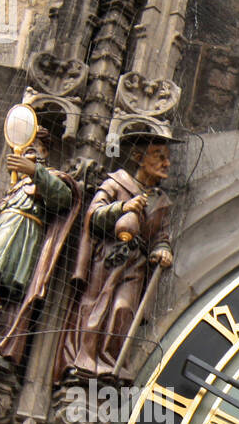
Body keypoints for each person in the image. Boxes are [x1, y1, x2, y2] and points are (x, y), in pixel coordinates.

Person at [56, 134, 174, 382]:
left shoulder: (161, 202)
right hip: (109, 255)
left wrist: (162, 249)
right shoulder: (115, 183)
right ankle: (85, 359)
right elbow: (94, 215)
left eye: (168, 159)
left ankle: (109, 363)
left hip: (137, 263)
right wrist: (122, 208)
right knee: (97, 304)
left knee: (123, 309)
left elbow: (161, 234)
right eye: (159, 157)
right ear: (138, 157)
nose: (166, 164)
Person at [0, 129, 79, 363]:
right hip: (6, 233)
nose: (27, 152)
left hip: (23, 236)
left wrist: (35, 171)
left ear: (45, 151)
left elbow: (63, 198)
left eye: (34, 147)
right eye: (24, 148)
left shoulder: (51, 177)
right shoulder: (16, 187)